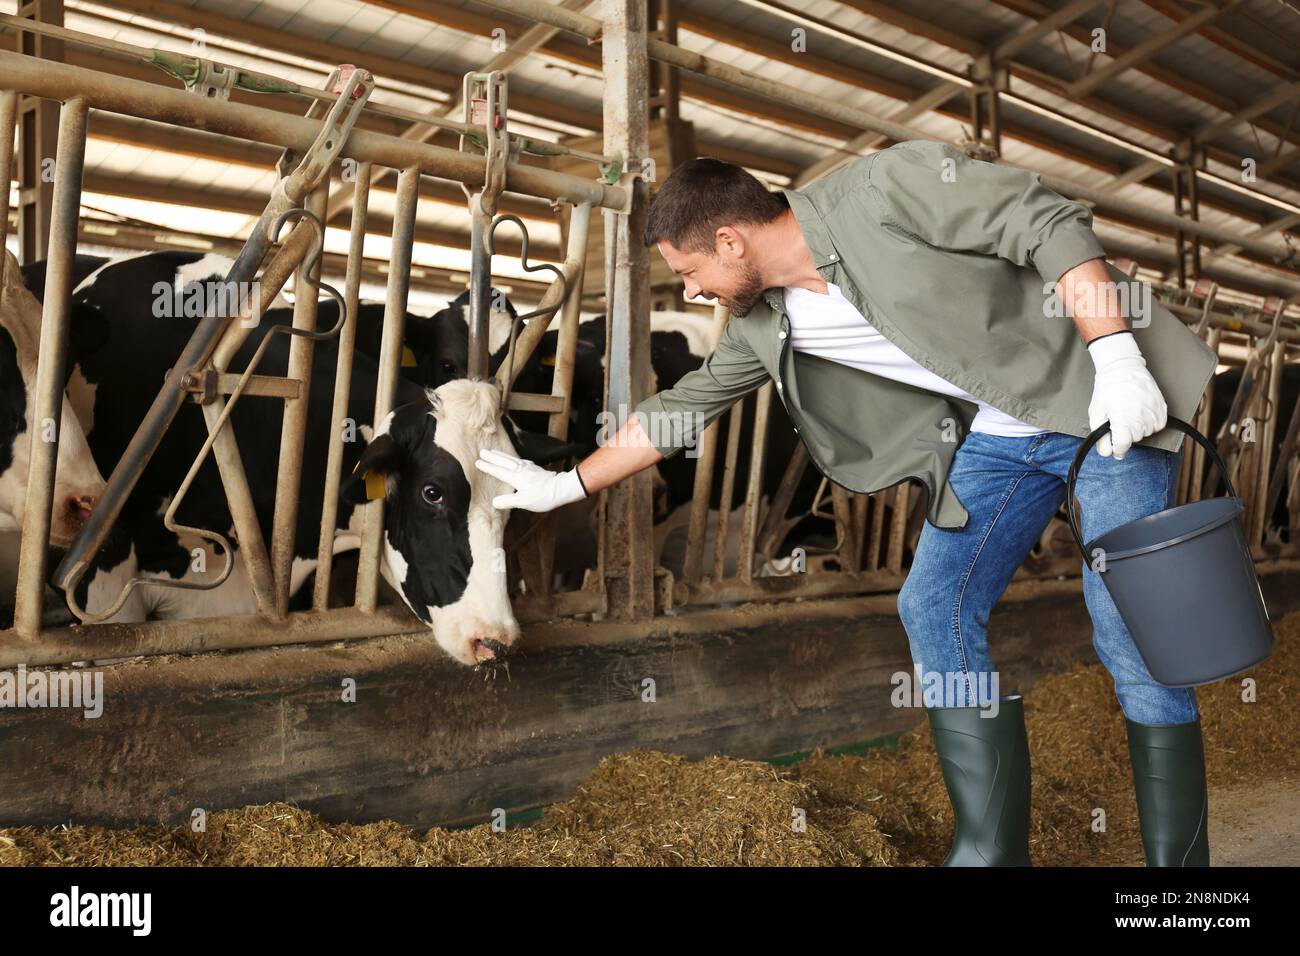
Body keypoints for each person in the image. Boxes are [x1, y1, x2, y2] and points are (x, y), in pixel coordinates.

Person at [475, 141, 1219, 867]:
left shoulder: (885, 187)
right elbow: (682, 407)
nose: (693, 292)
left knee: (1130, 625)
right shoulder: (762, 326)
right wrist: (565, 485)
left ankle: (1180, 880)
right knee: (932, 606)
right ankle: (991, 849)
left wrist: (1116, 355)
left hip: (1107, 405)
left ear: (730, 240)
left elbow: (1047, 222)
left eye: (690, 272)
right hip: (1002, 437)